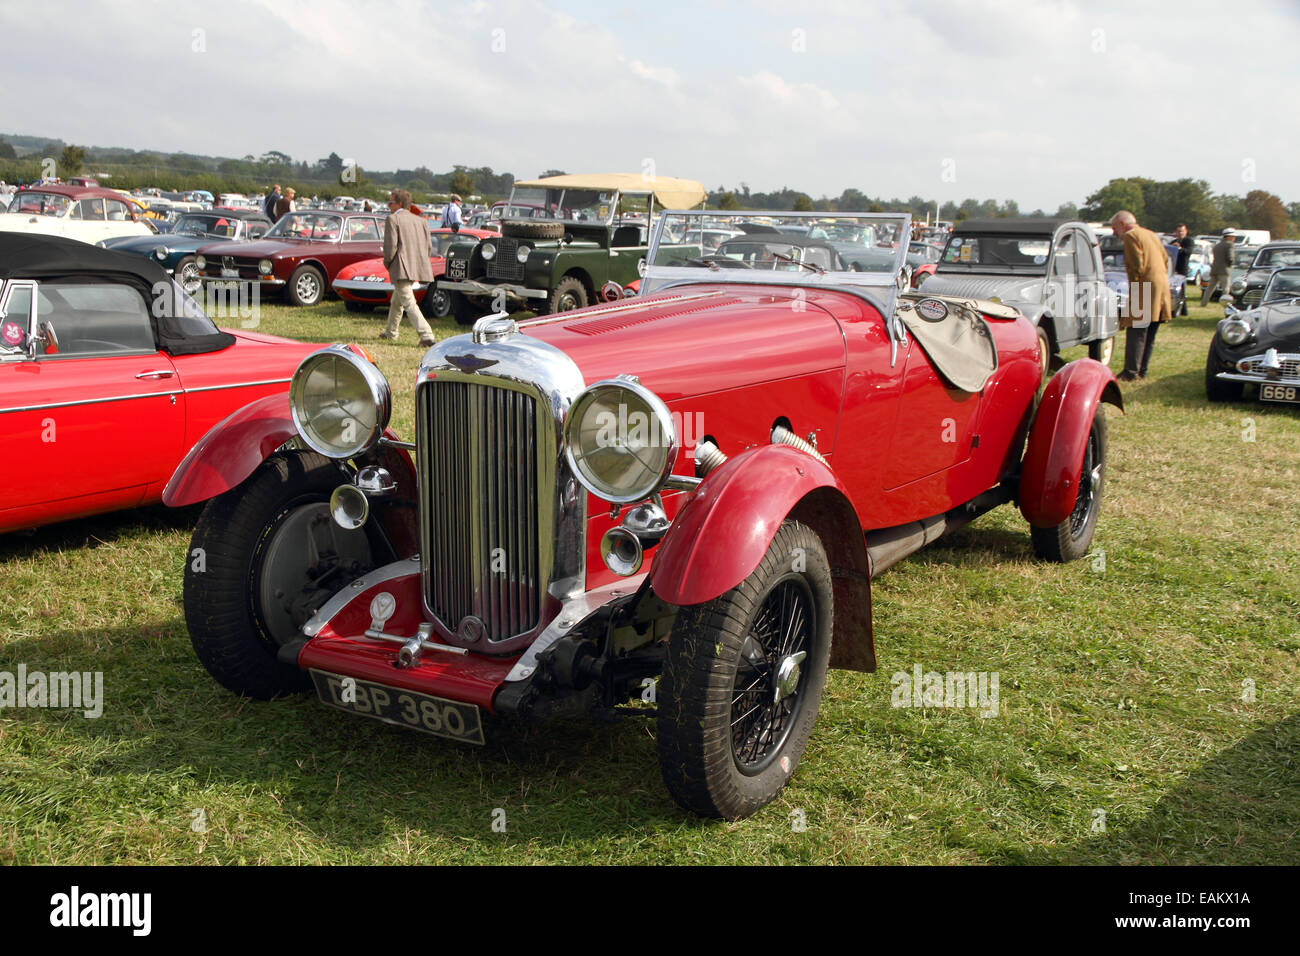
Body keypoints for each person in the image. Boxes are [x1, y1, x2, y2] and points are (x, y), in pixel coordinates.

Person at [1110, 210, 1171, 381]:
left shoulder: (1130, 236)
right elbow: (1165, 258)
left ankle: (1130, 372)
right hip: (1161, 286)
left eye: (1114, 228)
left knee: (1136, 330)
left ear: (1122, 224)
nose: (1114, 233)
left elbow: (1135, 265)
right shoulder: (1151, 234)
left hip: (1144, 286)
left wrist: (1134, 290)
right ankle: (1142, 370)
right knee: (1150, 331)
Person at [380, 189, 437, 346]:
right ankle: (390, 332)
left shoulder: (392, 219)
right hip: (415, 267)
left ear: (399, 203)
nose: (388, 206)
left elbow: (390, 247)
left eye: (390, 202)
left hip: (400, 267)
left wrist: (388, 263)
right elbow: (428, 247)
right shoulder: (421, 221)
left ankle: (426, 335)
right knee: (397, 301)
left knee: (408, 302)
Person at [1202, 228, 1235, 306]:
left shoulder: (1217, 245)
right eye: (1233, 236)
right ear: (1229, 236)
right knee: (1225, 289)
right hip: (1224, 270)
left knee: (1210, 288)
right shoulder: (1230, 244)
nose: (1234, 238)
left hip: (1214, 269)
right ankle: (1225, 304)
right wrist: (1230, 264)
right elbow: (1230, 258)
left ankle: (1204, 303)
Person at [1170, 222, 1193, 316]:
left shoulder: (1188, 241)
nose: (1180, 233)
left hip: (1182, 268)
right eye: (1178, 231)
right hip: (1172, 268)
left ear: (1186, 231)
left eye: (1182, 231)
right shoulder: (1173, 242)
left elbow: (1188, 251)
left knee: (1182, 290)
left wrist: (1179, 248)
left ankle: (1183, 310)